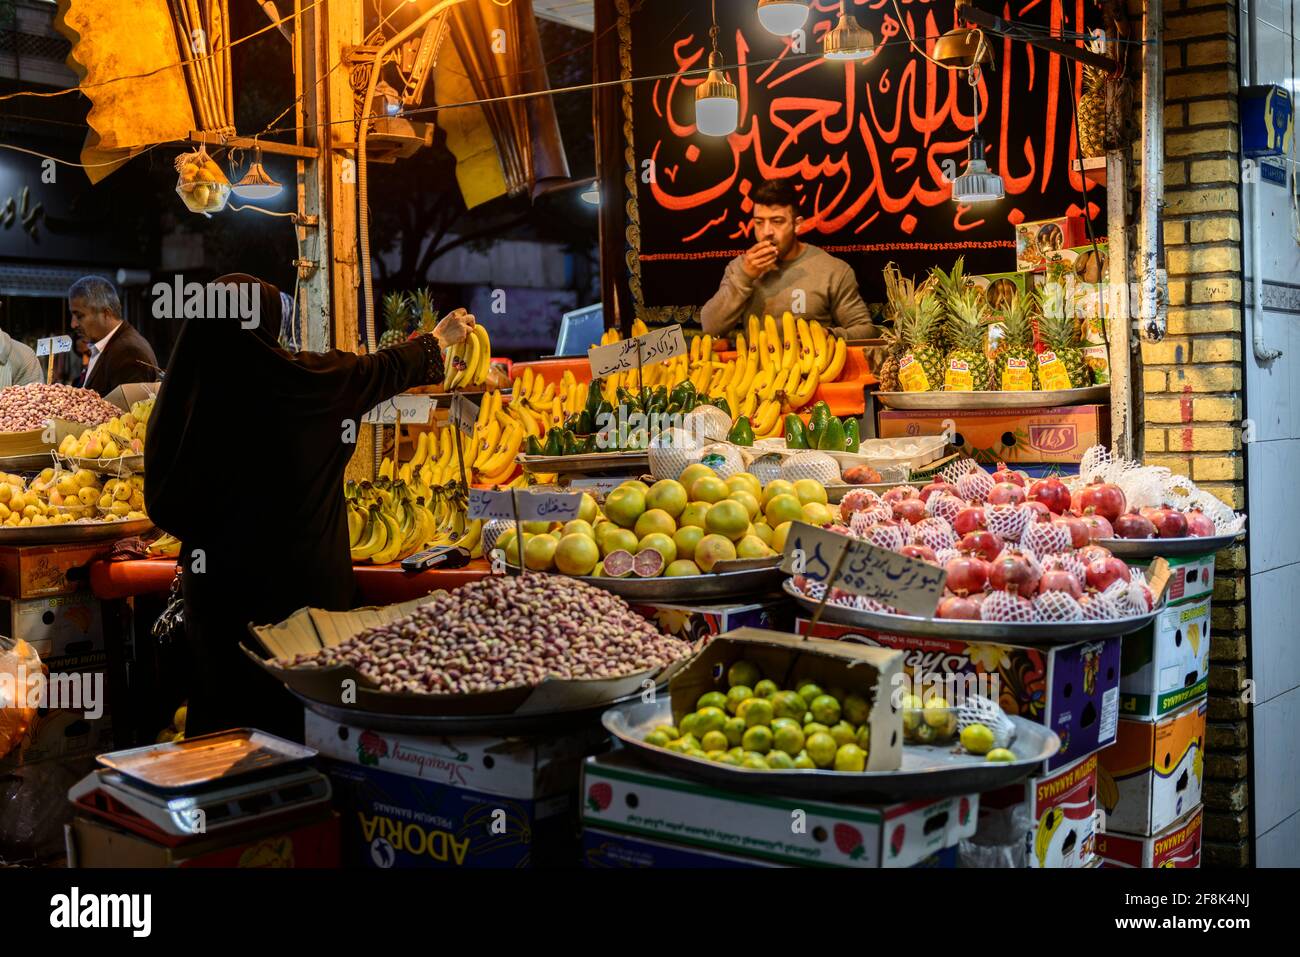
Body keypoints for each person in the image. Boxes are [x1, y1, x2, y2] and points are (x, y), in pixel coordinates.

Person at [144, 274, 475, 740]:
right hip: (301, 598)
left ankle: (225, 807)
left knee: (224, 730)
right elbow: (372, 370)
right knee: (301, 727)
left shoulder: (183, 398)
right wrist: (434, 343)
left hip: (218, 599)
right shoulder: (300, 381)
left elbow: (162, 501)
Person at [700, 178, 879, 341]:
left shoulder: (832, 270)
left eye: (777, 221)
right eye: (759, 222)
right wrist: (744, 277)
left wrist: (830, 335)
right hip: (755, 374)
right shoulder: (740, 267)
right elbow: (710, 328)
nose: (766, 232)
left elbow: (866, 331)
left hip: (813, 372)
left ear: (797, 224)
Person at [68, 276, 159, 395]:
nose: (73, 324)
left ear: (106, 314)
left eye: (79, 316)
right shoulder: (110, 346)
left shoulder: (128, 352)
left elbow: (128, 412)